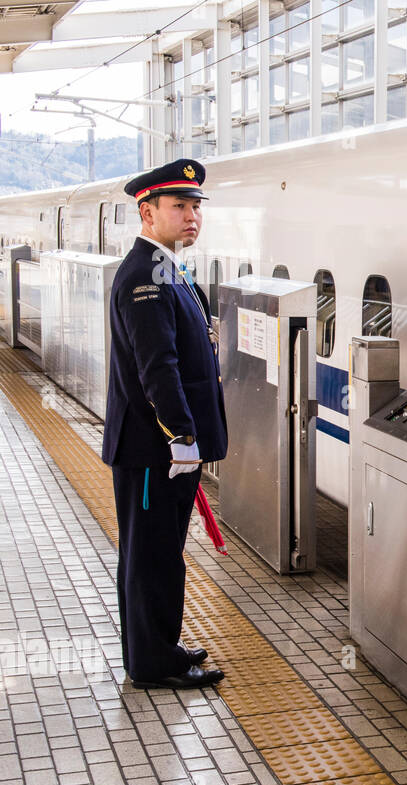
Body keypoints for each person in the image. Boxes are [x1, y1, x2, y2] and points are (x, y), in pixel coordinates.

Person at [101, 158, 228, 689]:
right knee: (152, 556)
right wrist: (182, 437)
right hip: (155, 449)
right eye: (179, 205)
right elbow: (158, 367)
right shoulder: (145, 277)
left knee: (158, 552)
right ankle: (152, 663)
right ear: (146, 211)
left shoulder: (164, 267)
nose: (192, 215)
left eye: (196, 206)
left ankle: (159, 645)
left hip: (160, 448)